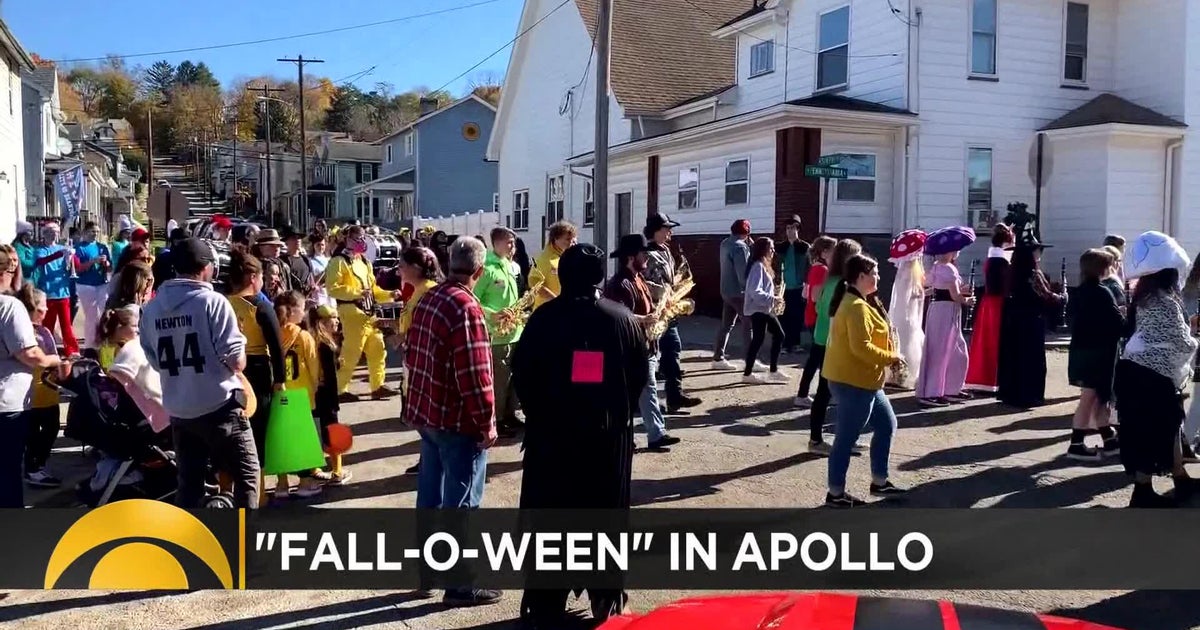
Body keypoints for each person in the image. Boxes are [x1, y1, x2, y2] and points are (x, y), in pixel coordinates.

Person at [512, 244, 644, 627]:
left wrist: (538, 413)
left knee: (551, 516)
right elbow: (638, 376)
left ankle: (546, 599)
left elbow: (523, 374)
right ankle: (606, 595)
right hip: (606, 438)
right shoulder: (622, 319)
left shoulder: (544, 319)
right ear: (599, 276)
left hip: (552, 438)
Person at [404, 237, 500, 607]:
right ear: (479, 270)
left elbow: (415, 355)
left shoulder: (431, 298)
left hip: (428, 414)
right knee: (461, 504)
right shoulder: (466, 307)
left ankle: (428, 573)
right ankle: (459, 583)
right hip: (455, 420)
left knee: (430, 498)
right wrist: (486, 421)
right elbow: (475, 375)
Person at [139, 238, 260, 509]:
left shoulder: (152, 309)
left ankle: (189, 533)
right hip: (219, 405)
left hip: (180, 408)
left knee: (189, 482)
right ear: (207, 268)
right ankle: (244, 534)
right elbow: (236, 361)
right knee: (247, 474)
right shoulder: (212, 301)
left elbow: (155, 360)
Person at [1114, 231, 1198, 507]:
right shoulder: (1166, 301)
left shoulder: (1145, 297)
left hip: (1133, 371)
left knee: (1150, 429)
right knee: (1156, 430)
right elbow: (1180, 341)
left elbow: (1153, 333)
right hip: (1153, 376)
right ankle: (1143, 492)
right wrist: (1194, 337)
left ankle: (1178, 478)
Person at [821, 253, 907, 508]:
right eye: (874, 273)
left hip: (866, 381)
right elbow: (862, 348)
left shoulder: (858, 301)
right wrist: (892, 357)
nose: (878, 277)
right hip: (854, 382)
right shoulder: (856, 306)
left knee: (887, 425)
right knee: (846, 439)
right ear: (861, 277)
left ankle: (879, 481)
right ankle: (835, 493)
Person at [0, 247, 65, 507]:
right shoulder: (10, 307)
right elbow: (30, 354)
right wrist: (55, 360)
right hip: (6, 404)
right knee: (7, 474)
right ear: (9, 271)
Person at [604, 234, 679, 452]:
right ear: (631, 257)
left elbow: (646, 309)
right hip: (629, 349)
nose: (647, 257)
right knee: (627, 396)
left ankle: (656, 435)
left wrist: (660, 311)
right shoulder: (619, 284)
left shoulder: (639, 278)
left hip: (646, 346)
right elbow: (617, 315)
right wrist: (644, 319)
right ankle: (627, 437)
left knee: (648, 390)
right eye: (643, 254)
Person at [225, 250, 287, 505]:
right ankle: (258, 492)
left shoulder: (223, 303)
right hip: (258, 371)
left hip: (229, 371)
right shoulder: (260, 306)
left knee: (231, 430)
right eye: (261, 276)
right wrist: (280, 380)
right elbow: (276, 345)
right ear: (253, 277)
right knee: (258, 431)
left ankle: (226, 488)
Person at [327, 224, 401, 402]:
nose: (361, 241)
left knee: (378, 349)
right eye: (357, 238)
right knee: (351, 352)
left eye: (363, 238)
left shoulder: (365, 262)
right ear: (347, 239)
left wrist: (389, 294)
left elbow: (373, 289)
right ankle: (340, 390)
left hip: (369, 312)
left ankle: (378, 386)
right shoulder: (338, 261)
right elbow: (333, 289)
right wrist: (358, 293)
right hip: (351, 312)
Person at [1066, 249, 1124, 461]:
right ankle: (1076, 444)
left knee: (1098, 397)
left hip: (1081, 350)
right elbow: (1118, 324)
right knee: (1090, 397)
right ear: (1101, 268)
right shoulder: (1103, 292)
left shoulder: (1078, 292)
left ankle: (1109, 438)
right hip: (1099, 353)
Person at [808, 239, 864, 455]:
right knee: (835, 394)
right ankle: (823, 440)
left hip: (823, 339)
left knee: (829, 393)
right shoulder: (843, 284)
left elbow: (819, 307)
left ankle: (827, 439)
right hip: (833, 343)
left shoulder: (831, 280)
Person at [997, 230, 1064, 408]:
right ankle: (1029, 395)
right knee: (1031, 358)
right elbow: (1046, 296)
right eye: (1037, 250)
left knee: (1013, 355)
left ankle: (1011, 393)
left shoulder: (1010, 271)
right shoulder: (1034, 274)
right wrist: (1063, 298)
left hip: (1012, 319)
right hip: (1031, 320)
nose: (1039, 254)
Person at [642, 213, 701, 413]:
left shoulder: (666, 250)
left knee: (673, 348)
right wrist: (662, 296)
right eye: (666, 229)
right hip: (654, 313)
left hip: (669, 311)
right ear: (655, 231)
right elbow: (645, 284)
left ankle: (675, 395)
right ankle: (644, 401)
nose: (670, 233)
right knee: (651, 356)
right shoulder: (647, 254)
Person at [473, 227, 526, 437]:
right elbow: (473, 298)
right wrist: (491, 314)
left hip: (514, 331)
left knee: (514, 378)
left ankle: (510, 414)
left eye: (513, 242)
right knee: (499, 381)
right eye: (509, 242)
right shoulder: (486, 268)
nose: (513, 247)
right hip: (496, 335)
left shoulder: (509, 265)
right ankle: (497, 419)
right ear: (496, 243)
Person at [274, 291, 326, 499]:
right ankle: (304, 482)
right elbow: (313, 366)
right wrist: (315, 386)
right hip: (301, 393)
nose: (304, 313)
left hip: (279, 393)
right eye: (302, 309)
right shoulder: (303, 336)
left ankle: (281, 484)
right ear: (292, 311)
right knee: (302, 440)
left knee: (281, 439)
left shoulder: (272, 332)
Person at [914, 247, 975, 407]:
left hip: (938, 309)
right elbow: (955, 295)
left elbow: (937, 288)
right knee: (947, 351)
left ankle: (947, 388)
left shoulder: (936, 267)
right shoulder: (948, 269)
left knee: (947, 350)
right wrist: (967, 300)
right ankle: (934, 392)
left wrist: (960, 291)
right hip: (947, 311)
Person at [16, 285, 62, 488]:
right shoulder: (23, 333)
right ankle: (32, 468)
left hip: (48, 392)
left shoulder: (44, 332)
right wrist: (55, 361)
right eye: (43, 306)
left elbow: (54, 357)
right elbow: (43, 359)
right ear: (32, 308)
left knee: (51, 429)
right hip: (31, 395)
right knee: (33, 435)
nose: (47, 310)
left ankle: (37, 465)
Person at [102, 305, 168, 434]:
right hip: (122, 397)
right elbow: (111, 373)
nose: (138, 330)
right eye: (134, 326)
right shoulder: (120, 349)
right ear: (119, 327)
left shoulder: (130, 345)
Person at [965, 224, 1014, 392]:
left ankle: (987, 378)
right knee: (995, 341)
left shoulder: (993, 259)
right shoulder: (1001, 261)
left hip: (989, 302)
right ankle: (993, 379)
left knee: (987, 340)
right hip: (997, 303)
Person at [309, 304, 350, 484]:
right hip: (326, 394)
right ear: (323, 322)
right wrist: (335, 402)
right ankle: (337, 471)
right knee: (333, 432)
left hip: (313, 393)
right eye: (333, 318)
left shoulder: (312, 340)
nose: (337, 321)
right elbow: (330, 376)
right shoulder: (326, 345)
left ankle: (314, 468)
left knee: (316, 432)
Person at [741, 237, 790, 385]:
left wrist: (773, 295)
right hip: (759, 309)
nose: (773, 251)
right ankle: (752, 373)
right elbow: (754, 291)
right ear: (763, 250)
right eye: (771, 248)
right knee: (772, 336)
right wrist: (773, 298)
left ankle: (763, 372)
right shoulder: (757, 267)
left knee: (764, 338)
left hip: (763, 308)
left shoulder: (762, 265)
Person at [796, 235, 836, 408]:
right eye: (833, 250)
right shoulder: (822, 270)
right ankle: (822, 396)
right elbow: (814, 296)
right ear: (824, 252)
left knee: (815, 359)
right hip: (818, 319)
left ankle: (804, 394)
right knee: (822, 360)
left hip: (813, 318)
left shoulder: (817, 268)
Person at [712, 219, 757, 371]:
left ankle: (718, 357)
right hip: (739, 293)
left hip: (726, 290)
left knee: (726, 325)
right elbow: (743, 275)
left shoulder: (725, 243)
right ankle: (750, 360)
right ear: (746, 233)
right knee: (748, 325)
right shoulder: (740, 247)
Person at [32, 222, 79, 356]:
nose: (55, 234)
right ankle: (46, 350)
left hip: (63, 292)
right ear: (45, 233)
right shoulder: (40, 250)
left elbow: (75, 266)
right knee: (47, 326)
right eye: (52, 231)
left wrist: (73, 256)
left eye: (57, 232)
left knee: (67, 326)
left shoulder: (62, 248)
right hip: (48, 293)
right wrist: (59, 254)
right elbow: (41, 261)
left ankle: (72, 351)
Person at [73, 221, 112, 349]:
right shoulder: (79, 248)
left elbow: (110, 268)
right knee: (91, 317)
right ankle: (90, 346)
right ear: (85, 232)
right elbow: (78, 268)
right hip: (86, 285)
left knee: (105, 314)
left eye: (97, 232)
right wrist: (93, 261)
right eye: (92, 231)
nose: (95, 234)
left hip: (102, 284)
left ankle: (104, 342)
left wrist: (106, 264)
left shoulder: (102, 247)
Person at [775, 216, 811, 353]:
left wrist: (807, 284)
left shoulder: (804, 247)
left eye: (793, 228)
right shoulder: (780, 247)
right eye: (788, 228)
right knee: (783, 316)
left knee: (797, 316)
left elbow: (809, 266)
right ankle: (785, 344)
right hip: (784, 287)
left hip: (799, 287)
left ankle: (796, 343)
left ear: (797, 229)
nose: (790, 231)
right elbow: (775, 265)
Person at [529, 221, 577, 311]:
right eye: (568, 239)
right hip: (546, 311)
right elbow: (534, 283)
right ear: (556, 238)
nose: (572, 243)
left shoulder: (566, 256)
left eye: (573, 240)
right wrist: (557, 301)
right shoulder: (544, 259)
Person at [307, 232, 333, 307]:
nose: (321, 247)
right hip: (318, 293)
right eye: (318, 245)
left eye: (322, 245)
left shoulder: (328, 259)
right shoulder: (310, 261)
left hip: (329, 291)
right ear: (313, 246)